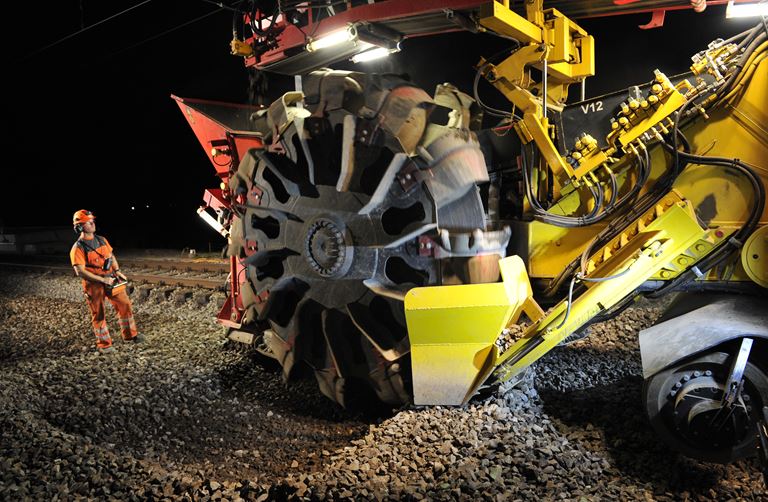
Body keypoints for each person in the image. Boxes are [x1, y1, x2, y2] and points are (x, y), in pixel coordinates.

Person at [70, 209, 144, 354]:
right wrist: (102, 279)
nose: (92, 223)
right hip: (94, 285)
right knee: (98, 314)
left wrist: (117, 271)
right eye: (88, 222)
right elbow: (80, 271)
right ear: (79, 227)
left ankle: (130, 335)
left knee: (125, 304)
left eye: (93, 221)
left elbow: (111, 256)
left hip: (110, 279)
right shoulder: (77, 248)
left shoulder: (102, 240)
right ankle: (104, 344)